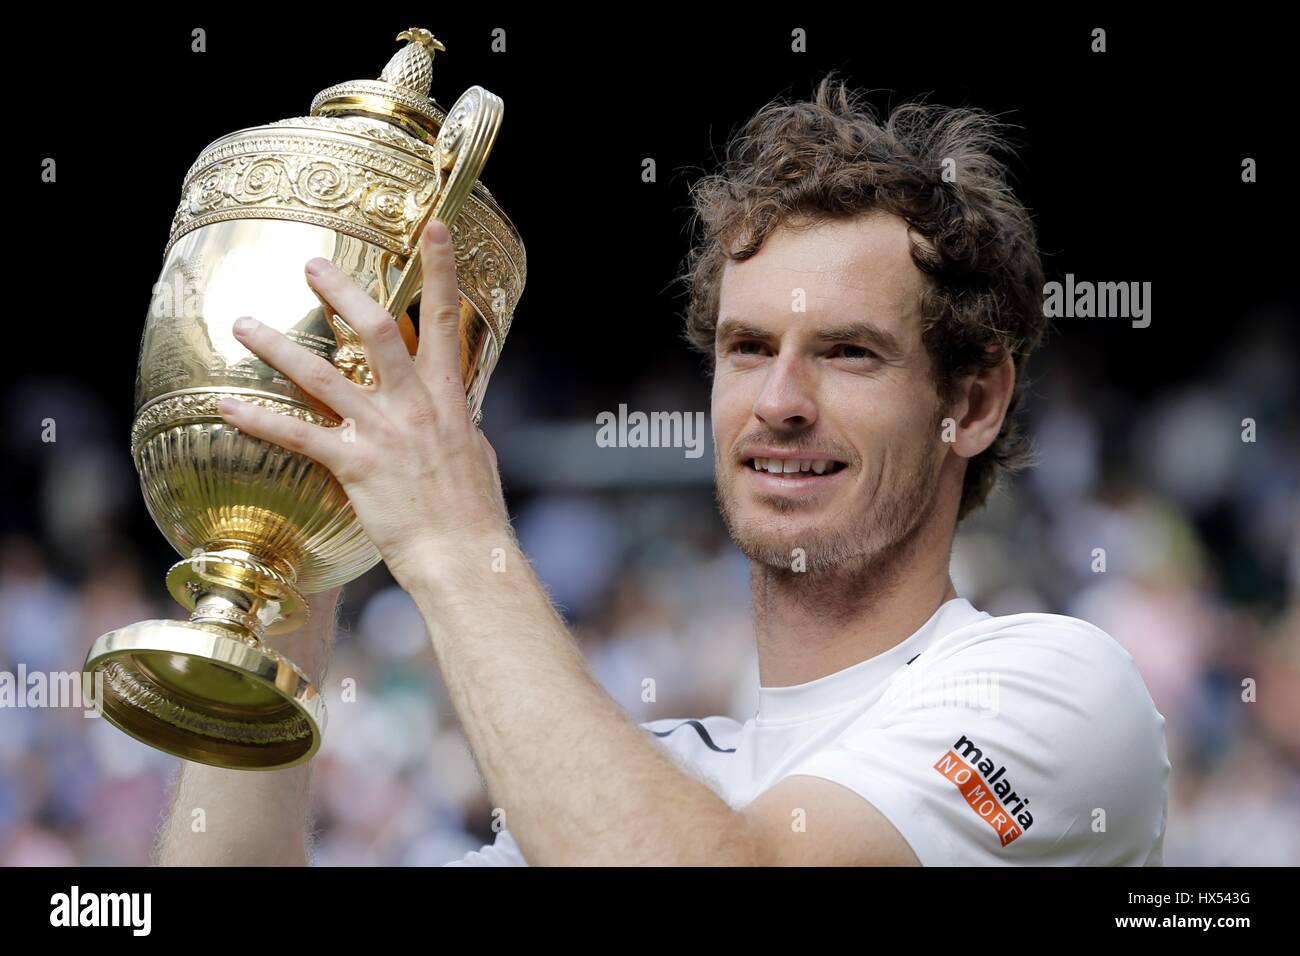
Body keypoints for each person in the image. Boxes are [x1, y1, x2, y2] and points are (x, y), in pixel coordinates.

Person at [155, 75, 1168, 866]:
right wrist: (284, 560)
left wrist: (452, 538)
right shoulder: (643, 775)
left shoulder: (1058, 691)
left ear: (974, 402)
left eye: (848, 350)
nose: (779, 399)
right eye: (746, 346)